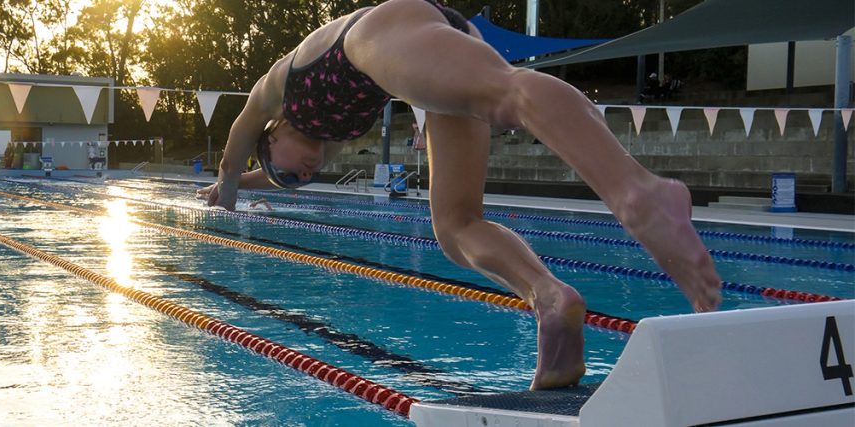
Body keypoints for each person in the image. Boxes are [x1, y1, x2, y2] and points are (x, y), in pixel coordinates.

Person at [196, 0, 722, 390]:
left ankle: (637, 192)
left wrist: (226, 188)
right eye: (297, 182)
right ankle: (549, 297)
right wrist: (260, 183)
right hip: (410, 48)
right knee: (455, 227)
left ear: (272, 137)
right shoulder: (325, 138)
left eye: (289, 173)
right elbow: (269, 174)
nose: (302, 176)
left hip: (375, 33)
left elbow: (235, 149)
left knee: (505, 94)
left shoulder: (272, 93)